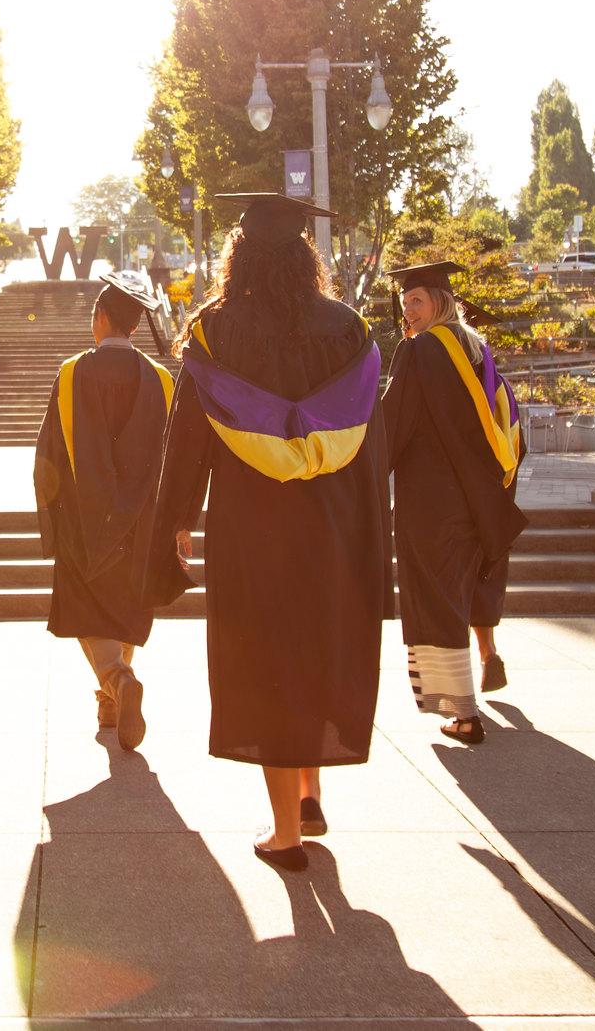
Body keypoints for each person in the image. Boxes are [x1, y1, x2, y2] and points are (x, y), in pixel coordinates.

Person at [145, 193, 390, 873]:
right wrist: (373, 527)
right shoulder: (348, 329)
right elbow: (371, 441)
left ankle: (285, 833)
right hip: (332, 521)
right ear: (306, 257)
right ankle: (310, 793)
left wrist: (177, 517)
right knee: (316, 650)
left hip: (251, 525)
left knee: (266, 663)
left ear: (241, 256)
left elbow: (187, 435)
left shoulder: (216, 331)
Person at [384, 260, 528, 746]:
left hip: (430, 503)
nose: (409, 311)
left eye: (417, 301)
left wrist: (358, 471)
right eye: (405, 303)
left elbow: (394, 420)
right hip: (473, 499)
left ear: (440, 302)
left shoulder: (420, 350)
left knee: (437, 601)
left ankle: (463, 714)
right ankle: (464, 701)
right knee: (454, 596)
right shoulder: (476, 351)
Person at [33, 270, 173, 751]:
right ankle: (110, 700)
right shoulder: (161, 379)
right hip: (140, 521)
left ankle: (117, 679)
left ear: (100, 317)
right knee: (125, 607)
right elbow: (169, 456)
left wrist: (50, 510)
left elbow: (51, 451)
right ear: (134, 324)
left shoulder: (73, 372)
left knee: (86, 608)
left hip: (83, 517)